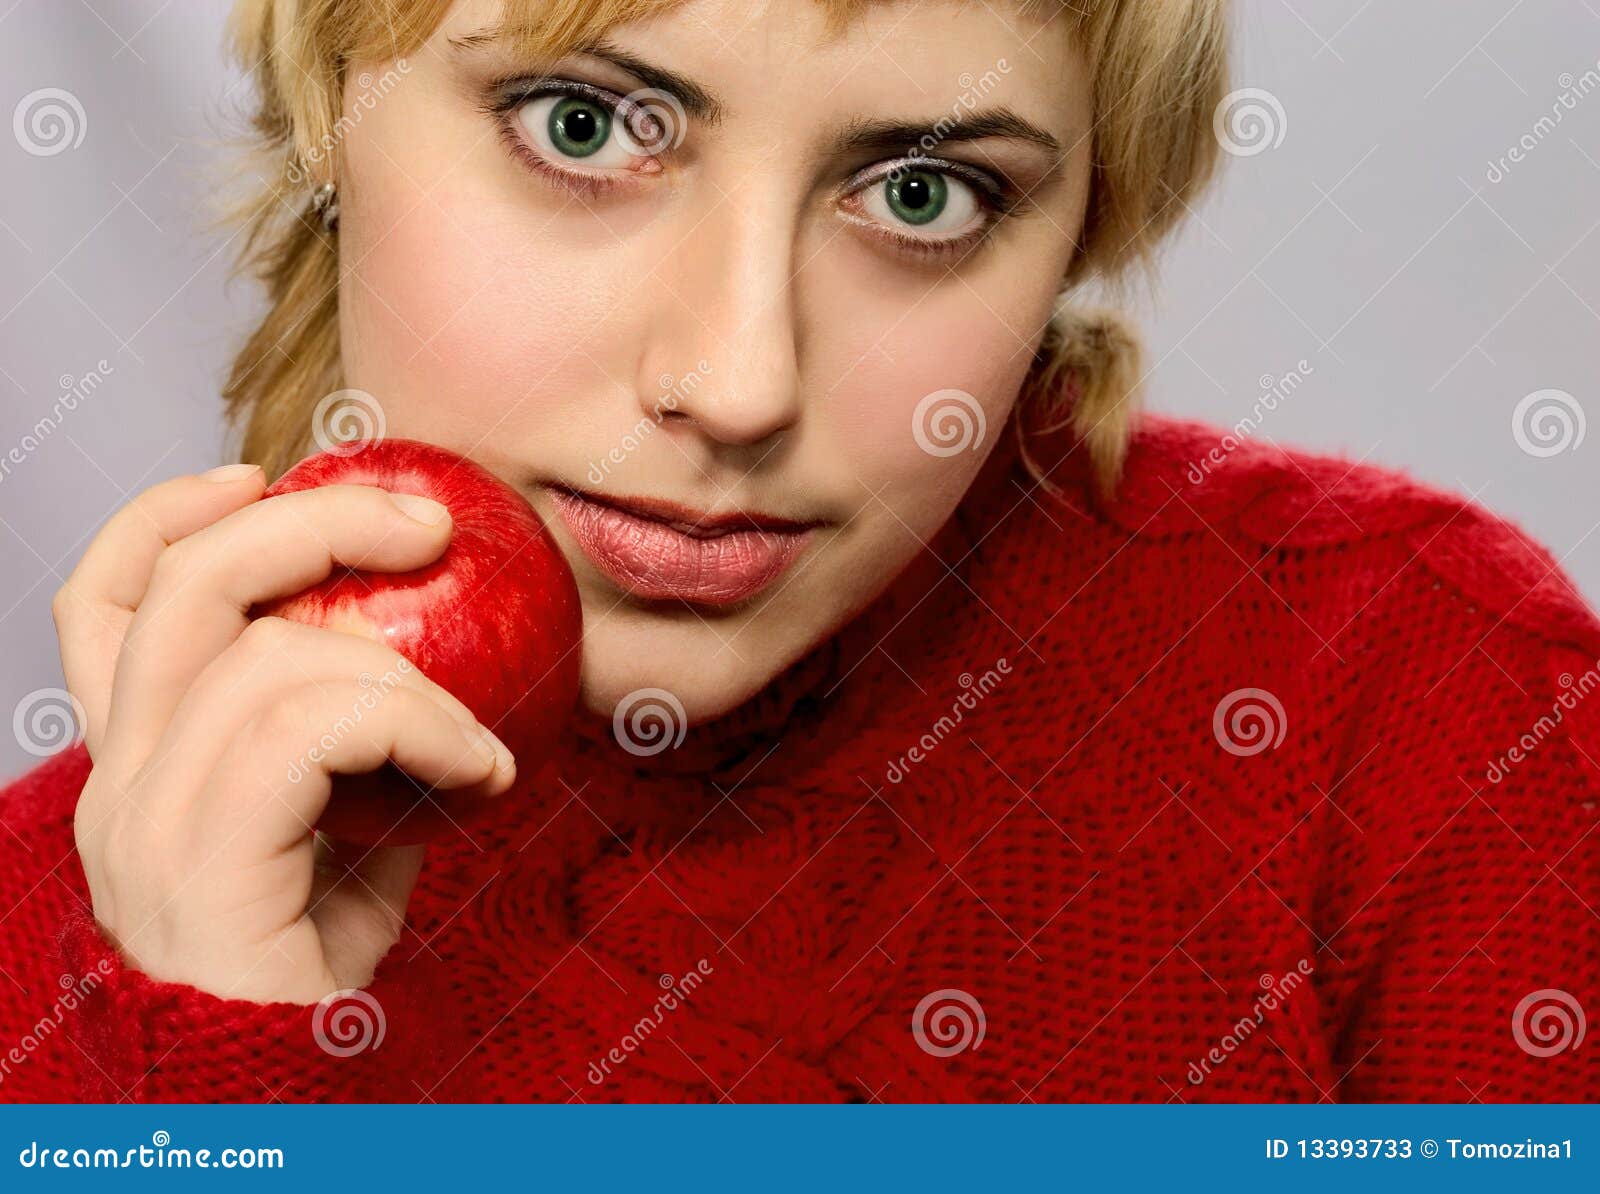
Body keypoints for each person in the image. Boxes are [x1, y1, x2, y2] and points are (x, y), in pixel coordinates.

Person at [1, 0, 1594, 1103]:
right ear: (328, 114)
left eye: (923, 191)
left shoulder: (1421, 716)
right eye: (585, 122)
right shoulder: (46, 941)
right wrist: (208, 1077)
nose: (741, 380)